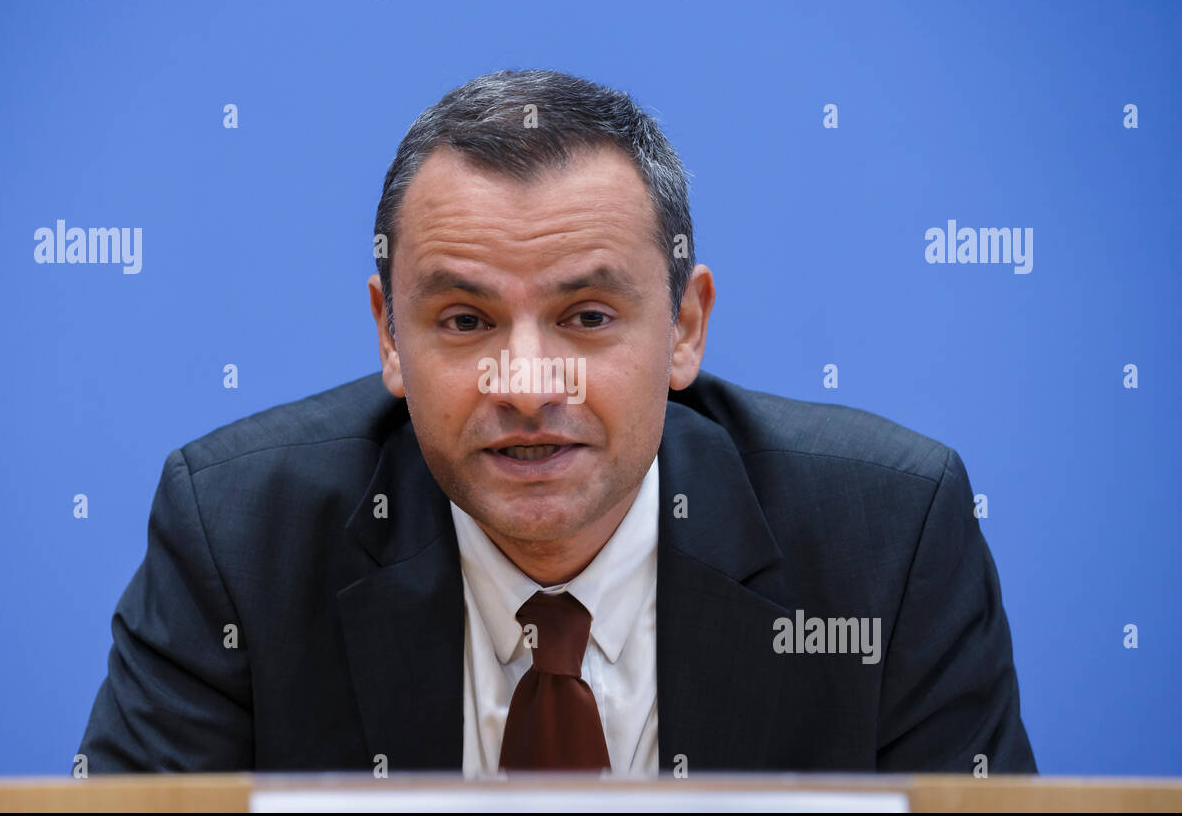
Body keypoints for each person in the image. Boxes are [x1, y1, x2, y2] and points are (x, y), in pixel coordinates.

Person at [77, 69, 1037, 777]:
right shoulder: (241, 534)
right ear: (390, 337)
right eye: (464, 320)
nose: (528, 382)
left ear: (685, 329)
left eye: (586, 317)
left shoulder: (887, 538)